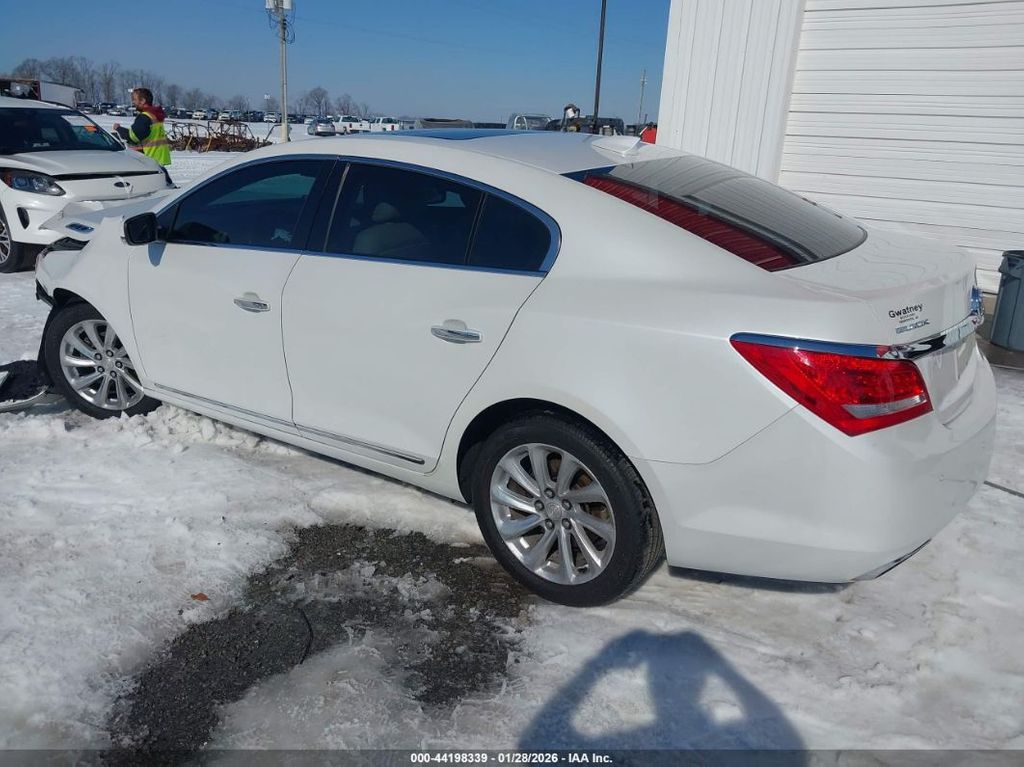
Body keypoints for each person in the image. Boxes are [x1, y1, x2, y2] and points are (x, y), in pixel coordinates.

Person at [112, 88, 171, 166]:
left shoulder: (145, 117)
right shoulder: (155, 115)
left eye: (134, 99)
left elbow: (133, 137)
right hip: (158, 158)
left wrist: (118, 128)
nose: (133, 102)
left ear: (142, 101)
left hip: (149, 160)